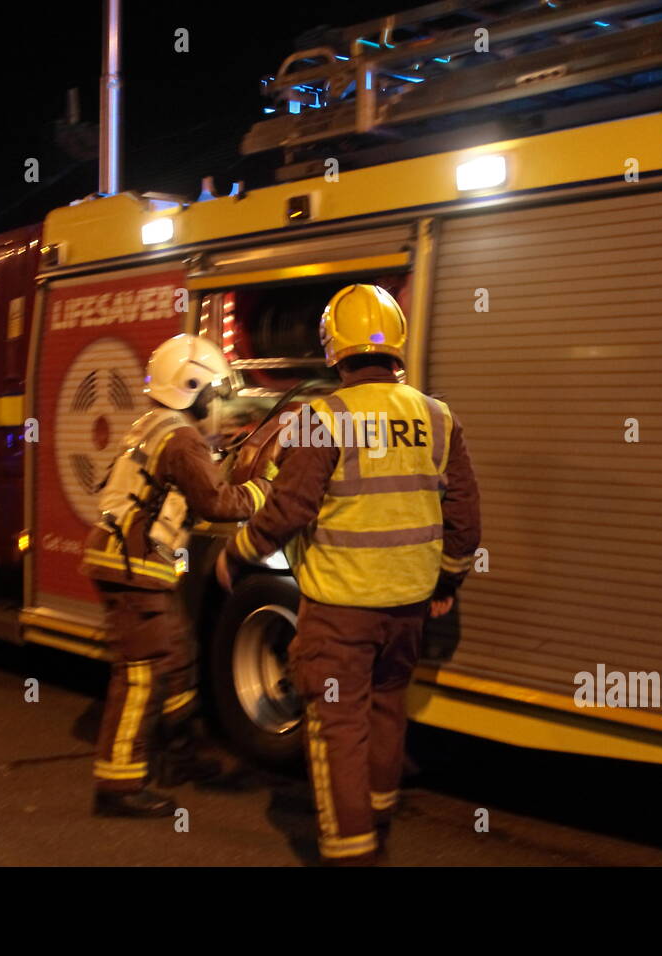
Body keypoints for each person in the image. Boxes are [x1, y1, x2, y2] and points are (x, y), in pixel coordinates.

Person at [215, 284, 481, 864]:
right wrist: (447, 583)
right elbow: (464, 520)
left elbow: (290, 508)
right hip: (406, 610)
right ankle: (378, 820)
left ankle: (350, 851)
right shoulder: (437, 416)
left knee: (337, 726)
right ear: (397, 345)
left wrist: (236, 553)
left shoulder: (322, 417)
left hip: (339, 613)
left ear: (333, 349)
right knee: (387, 712)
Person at [82, 333, 272, 818]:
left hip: (131, 562)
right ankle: (118, 785)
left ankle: (181, 752)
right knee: (141, 673)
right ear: (195, 389)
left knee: (178, 654)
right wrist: (264, 491)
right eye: (216, 395)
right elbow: (215, 502)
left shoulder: (159, 425)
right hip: (133, 568)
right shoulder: (180, 436)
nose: (220, 406)